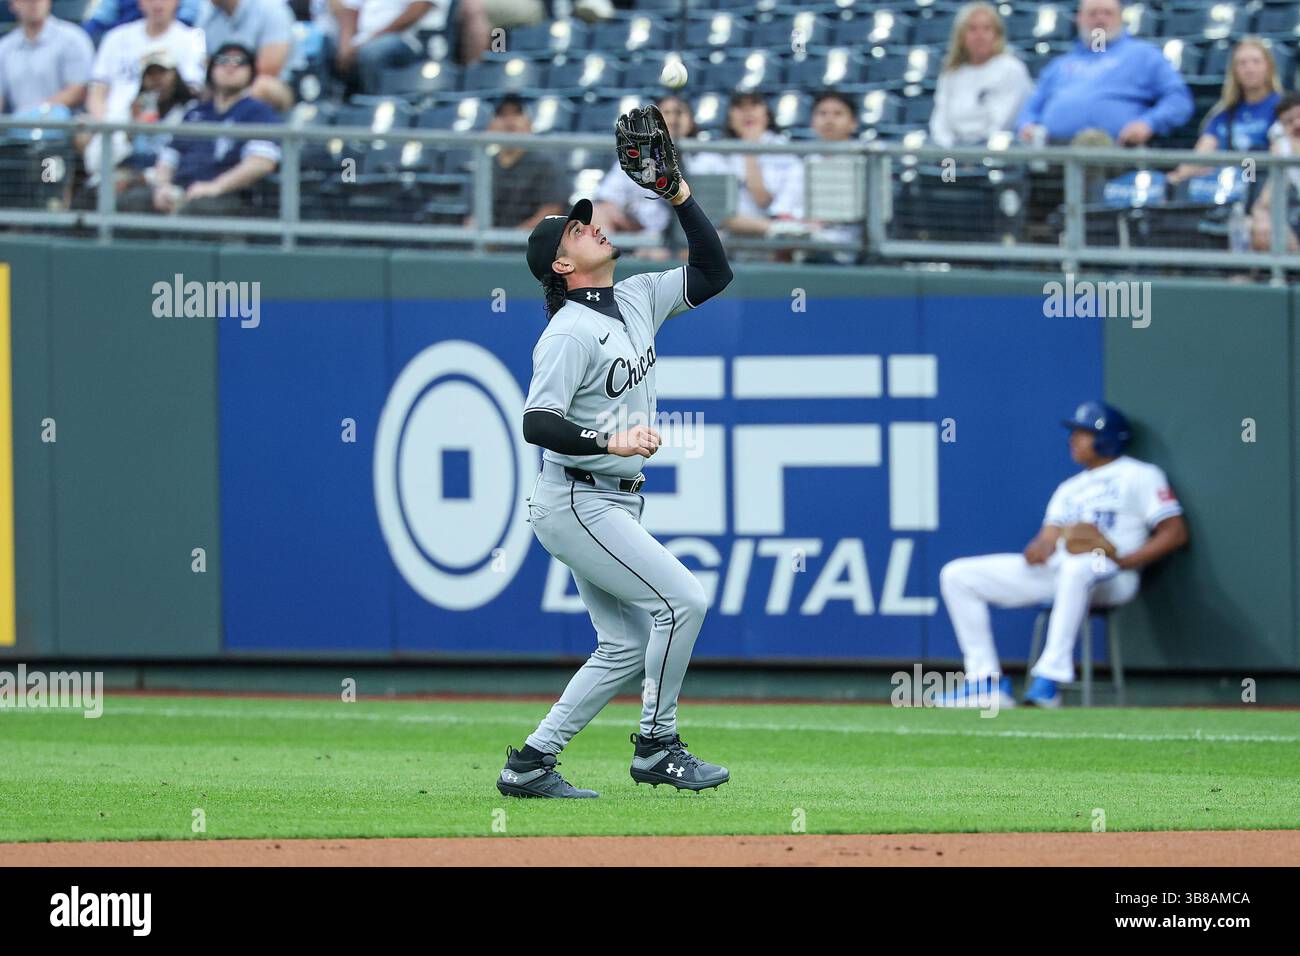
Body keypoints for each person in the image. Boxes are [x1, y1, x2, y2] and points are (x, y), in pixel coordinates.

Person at [497, 106, 733, 799]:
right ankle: (657, 745)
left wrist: (677, 192)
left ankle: (531, 762)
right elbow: (536, 422)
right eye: (576, 227)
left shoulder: (633, 299)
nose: (593, 221)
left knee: (625, 644)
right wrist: (611, 439)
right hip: (573, 495)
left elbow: (713, 272)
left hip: (611, 500)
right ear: (565, 263)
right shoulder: (568, 332)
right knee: (683, 601)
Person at [938, 402, 1188, 708]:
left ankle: (1049, 678)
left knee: (1077, 566)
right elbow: (1048, 538)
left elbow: (1174, 532)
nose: (1073, 439)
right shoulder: (1069, 488)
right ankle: (985, 683)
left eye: (1082, 433)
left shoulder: (1140, 475)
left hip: (1112, 572)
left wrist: (1125, 561)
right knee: (958, 575)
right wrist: (1039, 548)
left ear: (1107, 437)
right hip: (1063, 570)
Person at [119, 42, 281, 216]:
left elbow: (262, 163)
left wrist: (215, 187)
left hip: (230, 195)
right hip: (182, 190)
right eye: (223, 60)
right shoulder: (196, 112)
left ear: (251, 72)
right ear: (211, 69)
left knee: (196, 209)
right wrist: (162, 187)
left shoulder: (258, 111)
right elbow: (169, 157)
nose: (231, 66)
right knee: (132, 201)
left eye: (240, 62)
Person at [1016, 0, 1192, 146]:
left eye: (1107, 13)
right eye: (1092, 14)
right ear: (1079, 19)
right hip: (1055, 157)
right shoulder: (1060, 64)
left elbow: (1178, 101)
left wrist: (1148, 123)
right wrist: (1027, 125)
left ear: (1121, 19)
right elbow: (1030, 109)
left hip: (1117, 155)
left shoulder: (1144, 55)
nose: (1100, 20)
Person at [83, 0, 206, 186]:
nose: (158, 3)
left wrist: (158, 114)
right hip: (118, 121)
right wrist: (104, 123)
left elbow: (193, 93)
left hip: (170, 124)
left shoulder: (193, 38)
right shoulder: (116, 37)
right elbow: (97, 92)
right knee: (95, 165)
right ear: (140, 3)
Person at [590, 93, 697, 257]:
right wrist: (628, 223)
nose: (673, 119)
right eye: (666, 113)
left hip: (684, 240)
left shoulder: (706, 160)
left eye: (679, 113)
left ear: (691, 122)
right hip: (639, 236)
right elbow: (607, 201)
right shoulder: (634, 159)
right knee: (596, 212)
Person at [1169, 37, 1282, 184]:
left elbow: (1281, 156)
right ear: (1234, 71)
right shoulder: (1222, 114)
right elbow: (1201, 156)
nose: (1249, 69)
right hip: (1226, 187)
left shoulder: (1283, 109)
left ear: (1269, 67)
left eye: (1256, 61)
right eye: (1242, 63)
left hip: (1261, 186)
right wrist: (1176, 177)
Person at [694, 91, 804, 241]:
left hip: (774, 241)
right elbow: (716, 212)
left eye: (754, 105)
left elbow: (763, 200)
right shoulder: (714, 153)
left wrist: (750, 149)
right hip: (728, 238)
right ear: (730, 118)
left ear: (767, 115)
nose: (747, 113)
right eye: (739, 107)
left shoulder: (783, 151)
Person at [929, 2, 1032, 148]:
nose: (980, 36)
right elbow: (940, 120)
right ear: (961, 36)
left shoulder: (1011, 69)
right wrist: (948, 149)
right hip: (953, 151)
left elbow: (1004, 122)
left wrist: (975, 153)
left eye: (987, 29)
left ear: (997, 34)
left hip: (995, 152)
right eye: (972, 29)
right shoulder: (951, 72)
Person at [336, 0, 489, 92]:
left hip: (408, 40)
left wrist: (369, 40)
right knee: (321, 46)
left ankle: (376, 108)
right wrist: (345, 45)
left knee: (373, 53)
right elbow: (350, 8)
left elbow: (419, 7)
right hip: (362, 40)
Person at [471, 94, 570, 230]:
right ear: (491, 126)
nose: (510, 121)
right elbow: (473, 216)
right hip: (491, 245)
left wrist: (507, 240)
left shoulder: (547, 162)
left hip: (534, 246)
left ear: (529, 124)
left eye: (517, 114)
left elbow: (552, 212)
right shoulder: (485, 165)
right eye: (502, 115)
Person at [195, 0, 295, 111]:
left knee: (263, 86)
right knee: (199, 88)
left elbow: (269, 70)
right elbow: (204, 62)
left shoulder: (272, 9)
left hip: (272, 86)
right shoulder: (206, 13)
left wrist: (230, 87)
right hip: (222, 83)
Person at [0, 0, 95, 115]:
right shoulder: (5, 47)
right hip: (16, 126)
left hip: (64, 125)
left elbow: (79, 89)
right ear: (13, 5)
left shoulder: (73, 38)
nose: (33, 3)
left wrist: (38, 113)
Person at [1250, 92, 1300, 252]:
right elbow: (1262, 205)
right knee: (1255, 225)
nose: (1297, 125)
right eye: (1289, 121)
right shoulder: (1279, 156)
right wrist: (1262, 216)